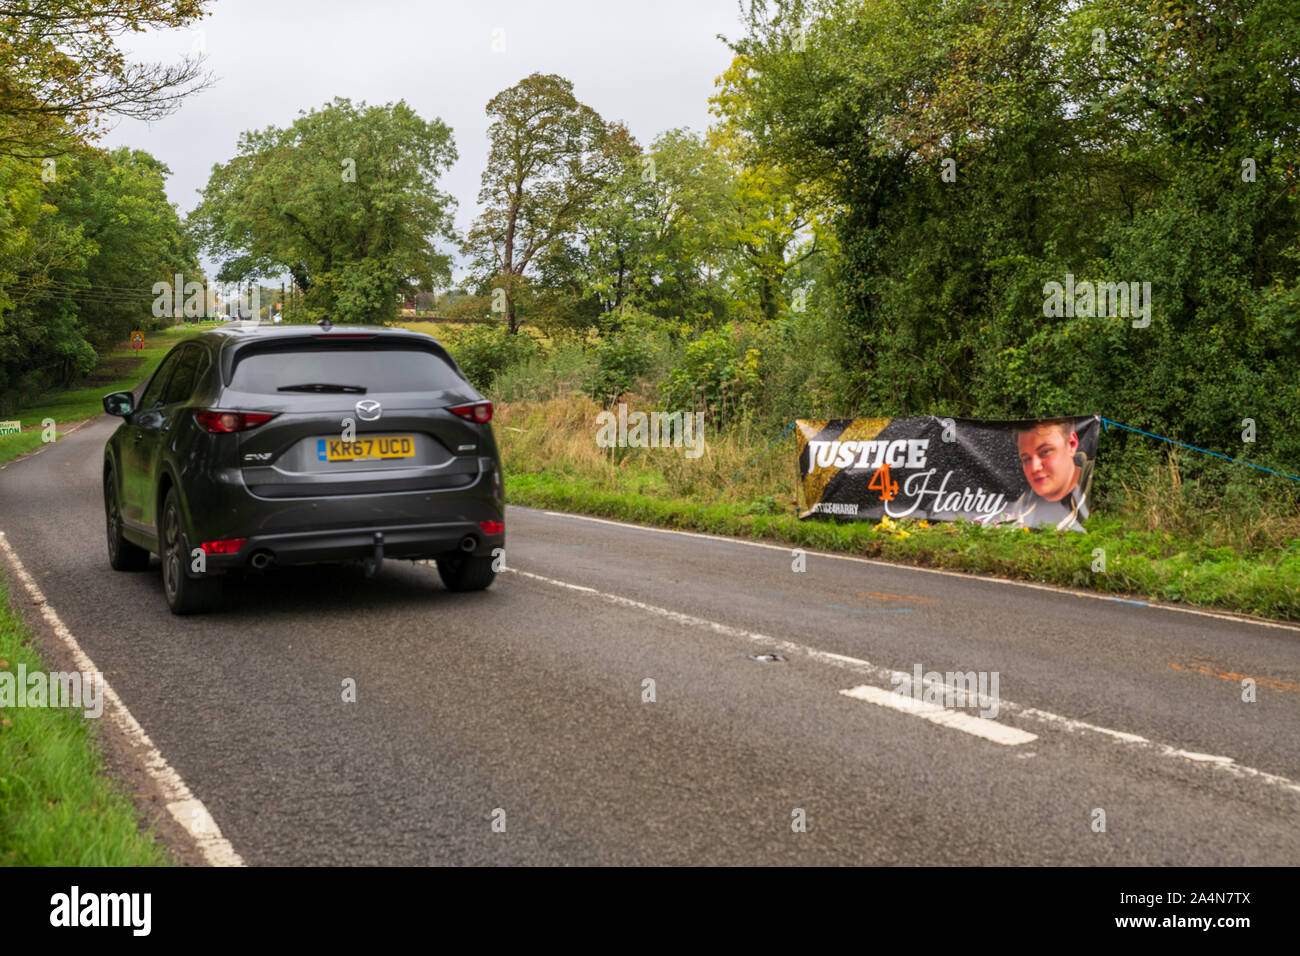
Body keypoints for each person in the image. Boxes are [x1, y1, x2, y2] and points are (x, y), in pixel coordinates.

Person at [996, 419, 1093, 531]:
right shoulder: (1019, 509)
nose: (1034, 468)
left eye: (1045, 451)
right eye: (1026, 459)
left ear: (1072, 444)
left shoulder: (1101, 489)